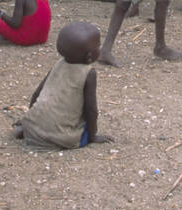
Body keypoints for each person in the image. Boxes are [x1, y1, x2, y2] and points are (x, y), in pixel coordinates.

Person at [14, 22, 113, 151]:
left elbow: (37, 94)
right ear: (89, 56)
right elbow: (91, 110)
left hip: (32, 127)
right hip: (59, 136)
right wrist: (92, 136)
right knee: (82, 131)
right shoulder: (88, 73)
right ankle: (48, 136)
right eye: (98, 46)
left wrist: (32, 119)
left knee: (44, 119)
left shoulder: (58, 64)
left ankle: (29, 130)